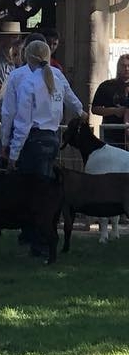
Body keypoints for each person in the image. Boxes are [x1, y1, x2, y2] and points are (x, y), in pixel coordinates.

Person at [8, 38, 84, 256]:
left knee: (33, 194)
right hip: (52, 138)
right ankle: (43, 238)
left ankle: (38, 241)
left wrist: (13, 153)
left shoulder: (28, 83)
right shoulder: (58, 77)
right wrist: (81, 112)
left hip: (34, 141)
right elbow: (71, 98)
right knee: (46, 192)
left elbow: (23, 122)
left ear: (27, 59)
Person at [91, 53, 129, 149]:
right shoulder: (107, 86)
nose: (127, 69)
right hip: (111, 135)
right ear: (118, 67)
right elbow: (95, 109)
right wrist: (114, 111)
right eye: (124, 66)